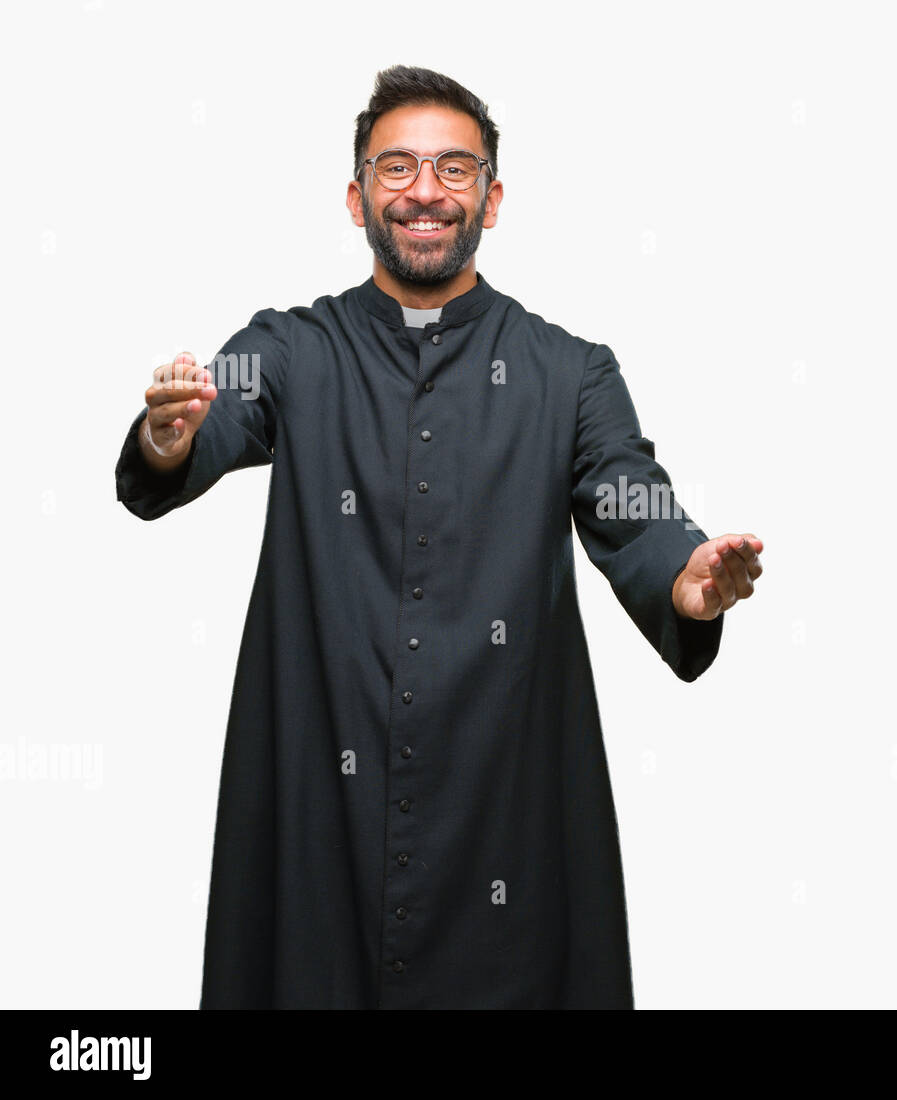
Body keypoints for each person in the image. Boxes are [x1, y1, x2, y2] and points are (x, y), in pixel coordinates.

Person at [115, 65, 763, 1009]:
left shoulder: (571, 370)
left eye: (456, 170)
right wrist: (168, 438)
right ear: (356, 196)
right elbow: (209, 418)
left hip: (502, 804)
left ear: (492, 200)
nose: (426, 190)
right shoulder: (288, 346)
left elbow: (627, 492)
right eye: (399, 167)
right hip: (321, 797)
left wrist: (685, 572)